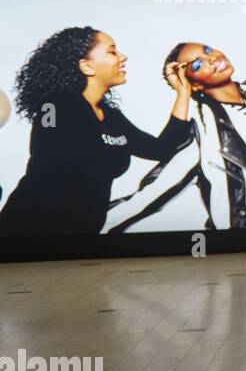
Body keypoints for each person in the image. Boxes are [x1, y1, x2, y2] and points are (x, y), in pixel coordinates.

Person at [105, 0, 246, 231]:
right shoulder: (203, 134)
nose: (213, 59)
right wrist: (74, 228)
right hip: (244, 251)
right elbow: (146, 199)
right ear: (194, 84)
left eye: (209, 50)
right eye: (198, 64)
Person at [0, 27, 192, 235]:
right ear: (87, 66)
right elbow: (49, 162)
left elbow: (160, 150)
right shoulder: (53, 108)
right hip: (29, 233)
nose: (123, 57)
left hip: (80, 239)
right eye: (112, 51)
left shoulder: (111, 117)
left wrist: (183, 93)